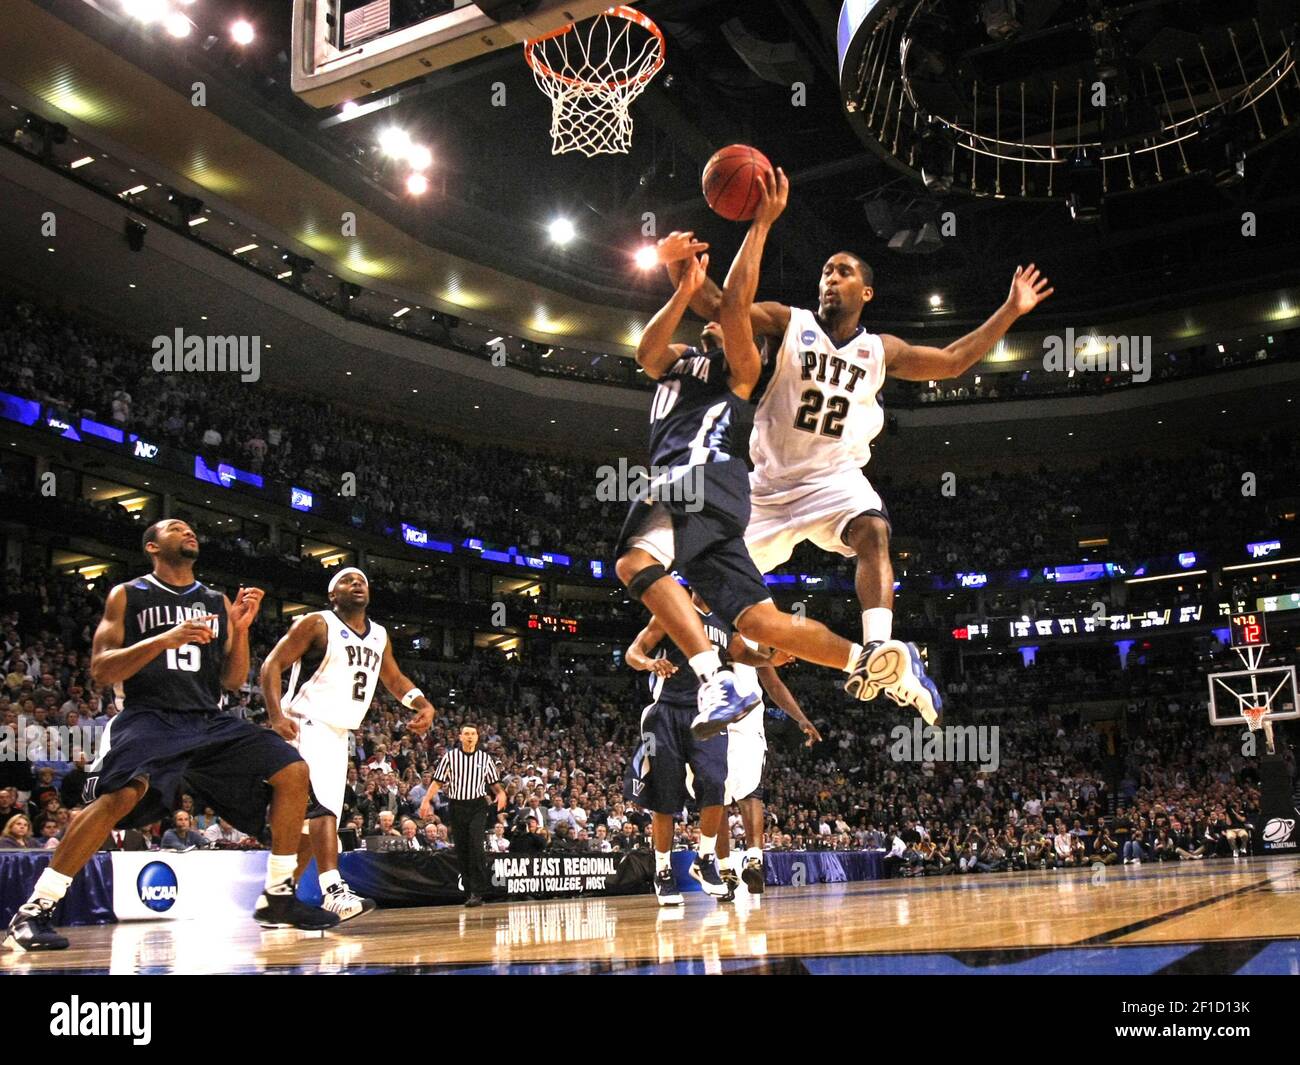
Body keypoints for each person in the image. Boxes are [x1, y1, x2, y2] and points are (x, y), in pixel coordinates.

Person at [658, 202, 1054, 725]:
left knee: (872, 531)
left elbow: (954, 362)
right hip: (767, 486)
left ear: (865, 292)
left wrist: (1011, 309)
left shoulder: (880, 350)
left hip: (833, 478)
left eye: (843, 272)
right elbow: (721, 307)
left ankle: (878, 646)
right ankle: (884, 673)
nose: (830, 278)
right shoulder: (787, 322)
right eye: (825, 271)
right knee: (704, 592)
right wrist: (677, 269)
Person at [615, 171, 891, 749]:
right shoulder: (683, 361)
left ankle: (713, 678)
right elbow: (646, 351)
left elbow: (735, 306)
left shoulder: (740, 372)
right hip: (715, 498)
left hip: (701, 478)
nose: (718, 324)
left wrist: (760, 225)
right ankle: (868, 664)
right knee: (758, 623)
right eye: (709, 324)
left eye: (726, 325)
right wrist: (683, 286)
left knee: (632, 561)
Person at [5, 519, 336, 952]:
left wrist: (239, 630)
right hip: (150, 717)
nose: (189, 532)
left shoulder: (215, 600)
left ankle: (277, 896)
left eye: (190, 528)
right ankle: (35, 909)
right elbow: (102, 670)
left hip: (207, 719)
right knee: (119, 797)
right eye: (176, 527)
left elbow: (233, 682)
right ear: (152, 546)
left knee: (293, 769)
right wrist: (166, 638)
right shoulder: (128, 594)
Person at [260, 567, 435, 922]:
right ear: (332, 595)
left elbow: (394, 679)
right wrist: (276, 715)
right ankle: (332, 889)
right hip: (306, 724)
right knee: (322, 810)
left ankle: (275, 902)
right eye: (347, 580)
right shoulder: (317, 623)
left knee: (311, 828)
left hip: (339, 733)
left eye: (363, 581)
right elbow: (271, 665)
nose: (357, 583)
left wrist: (422, 704)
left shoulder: (379, 635)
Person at [419, 724, 504, 907]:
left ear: (478, 737)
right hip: (457, 806)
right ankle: (468, 891)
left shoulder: (484, 758)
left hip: (478, 806)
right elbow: (438, 782)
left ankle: (478, 891)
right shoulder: (450, 757)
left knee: (476, 846)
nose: (470, 736)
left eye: (473, 733)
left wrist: (501, 793)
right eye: (466, 734)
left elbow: (494, 783)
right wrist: (426, 801)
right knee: (463, 849)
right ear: (460, 737)